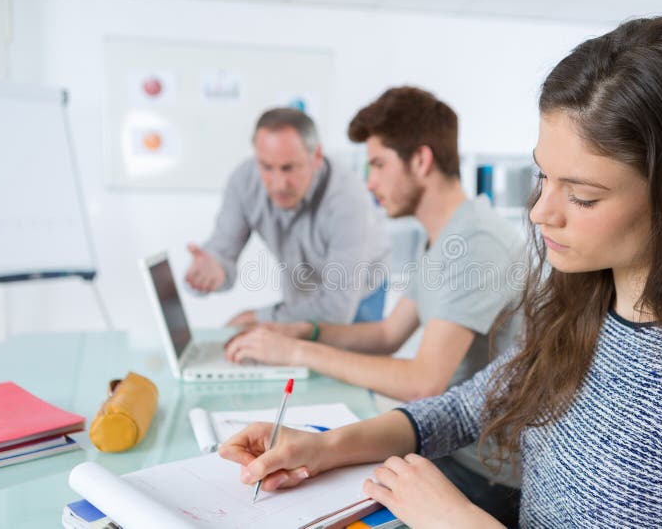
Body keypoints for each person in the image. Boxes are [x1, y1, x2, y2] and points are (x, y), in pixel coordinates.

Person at [219, 17, 662, 528]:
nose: (541, 212)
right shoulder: (585, 299)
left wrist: (457, 521)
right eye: (543, 178)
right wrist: (328, 447)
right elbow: (470, 404)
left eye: (584, 196)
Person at [224, 87, 526, 523]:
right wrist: (304, 331)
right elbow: (388, 334)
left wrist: (295, 353)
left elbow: (424, 382)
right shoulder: (447, 235)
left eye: (380, 164)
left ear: (421, 161)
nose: (369, 181)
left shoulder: (475, 244)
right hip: (449, 449)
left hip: (485, 475)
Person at [185, 108, 390, 325]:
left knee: (351, 355)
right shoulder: (244, 182)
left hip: (359, 292)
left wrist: (256, 318)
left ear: (317, 157)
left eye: (289, 168)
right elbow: (222, 250)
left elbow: (337, 310)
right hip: (300, 290)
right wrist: (212, 269)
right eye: (266, 167)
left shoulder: (348, 198)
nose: (279, 184)